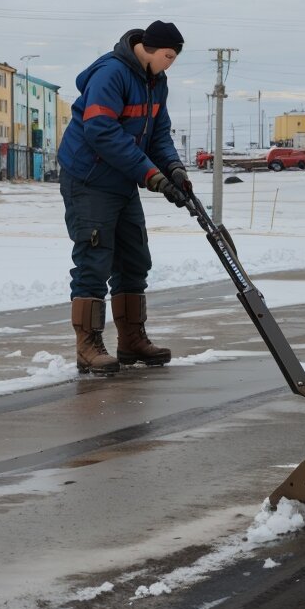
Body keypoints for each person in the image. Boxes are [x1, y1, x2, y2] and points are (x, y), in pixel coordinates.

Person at [57, 21, 192, 376]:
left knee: (134, 259)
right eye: (168, 55)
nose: (171, 63)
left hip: (121, 180)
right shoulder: (112, 74)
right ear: (149, 48)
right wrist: (150, 175)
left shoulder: (155, 82)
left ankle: (131, 339)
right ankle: (88, 346)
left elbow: (158, 133)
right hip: (89, 178)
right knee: (94, 259)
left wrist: (174, 169)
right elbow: (101, 132)